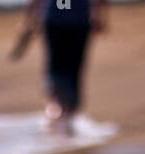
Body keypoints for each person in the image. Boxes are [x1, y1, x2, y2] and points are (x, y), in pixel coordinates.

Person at [12, 0, 108, 135]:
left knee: (57, 65)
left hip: (58, 20)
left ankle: (57, 107)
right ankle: (66, 112)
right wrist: (99, 15)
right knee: (73, 67)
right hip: (77, 20)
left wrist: (28, 20)